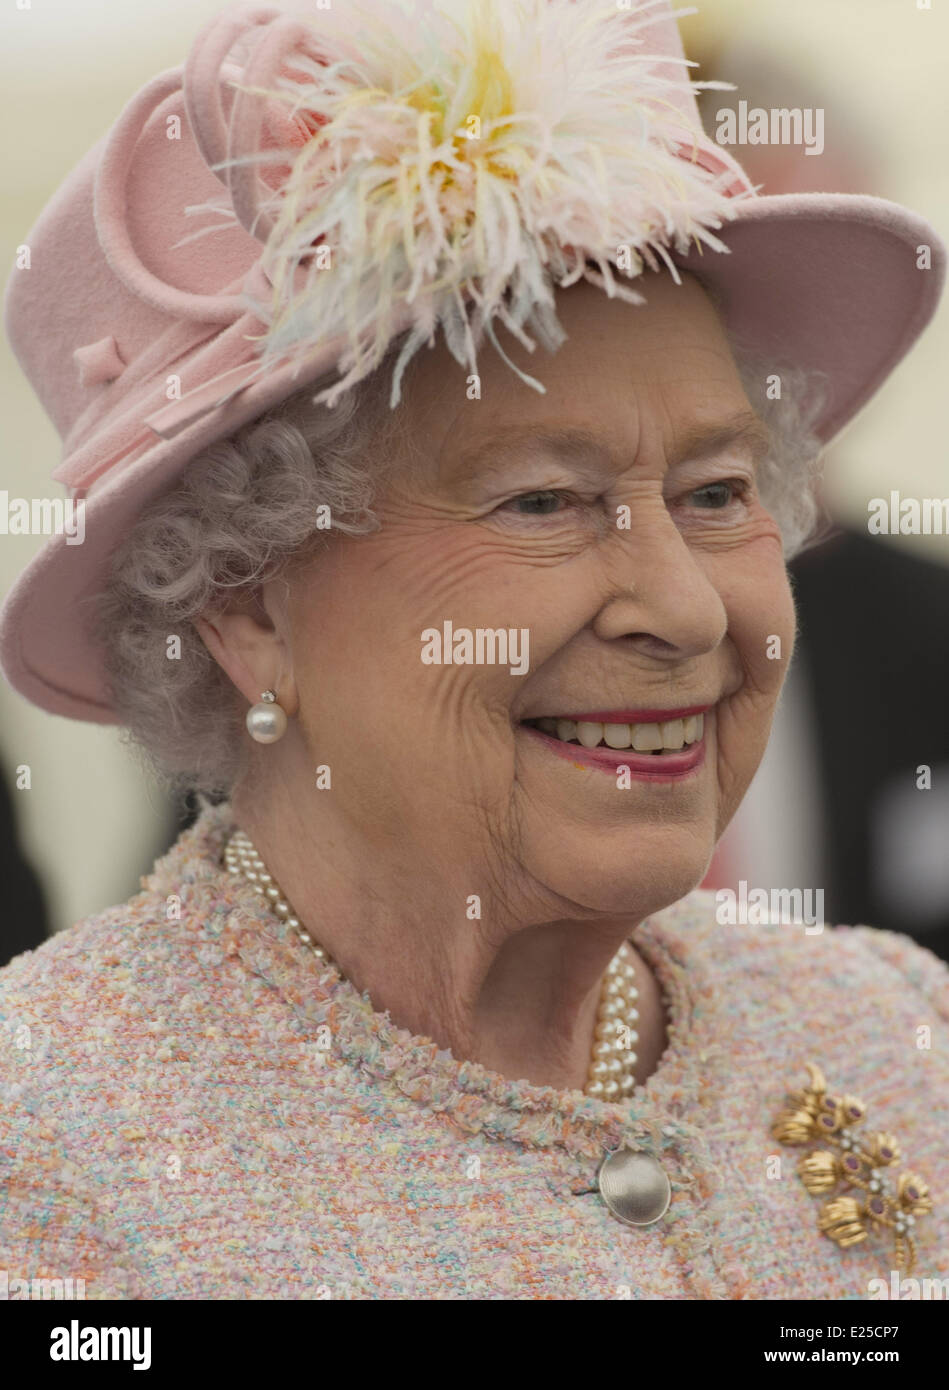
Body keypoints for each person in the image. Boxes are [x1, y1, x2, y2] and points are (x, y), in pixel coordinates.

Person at [0, 0, 945, 1300]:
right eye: (543, 502)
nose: (683, 610)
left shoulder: (893, 1030)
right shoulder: (49, 1157)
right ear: (248, 606)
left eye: (718, 492)